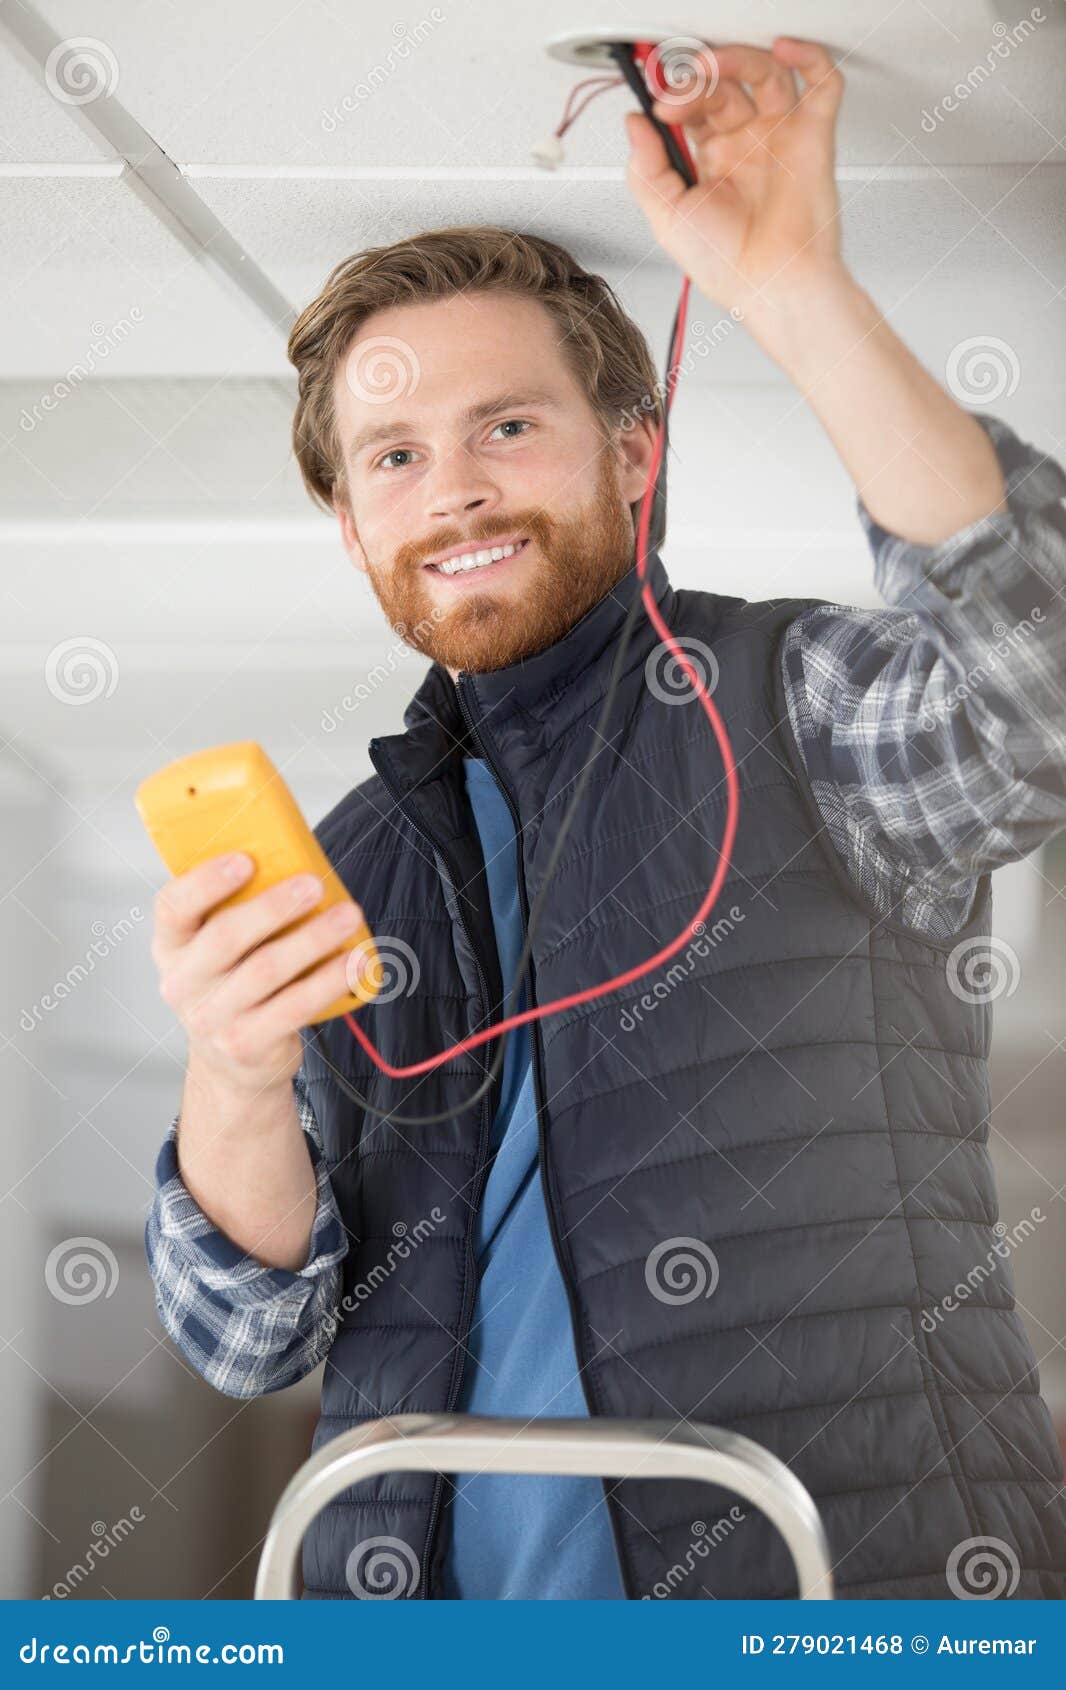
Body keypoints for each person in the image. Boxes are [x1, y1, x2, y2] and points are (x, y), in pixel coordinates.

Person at [144, 39, 1066, 1599]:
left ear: (631, 457)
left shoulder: (787, 706)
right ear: (354, 517)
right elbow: (247, 1333)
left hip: (831, 1594)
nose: (453, 490)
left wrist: (795, 293)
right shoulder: (351, 855)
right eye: (395, 455)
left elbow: (1034, 687)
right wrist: (232, 1069)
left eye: (508, 426)